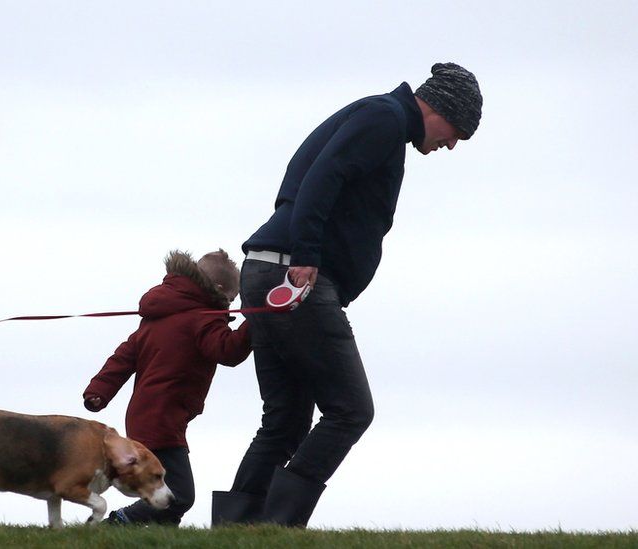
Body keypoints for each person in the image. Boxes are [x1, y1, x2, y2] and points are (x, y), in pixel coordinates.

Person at [212, 62, 483, 527]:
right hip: (295, 276)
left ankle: (237, 530)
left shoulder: (380, 119)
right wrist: (306, 254)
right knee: (351, 410)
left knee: (285, 420)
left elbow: (302, 179)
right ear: (437, 108)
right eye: (456, 131)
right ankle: (277, 526)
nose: (451, 144)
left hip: (270, 268)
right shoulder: (384, 119)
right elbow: (323, 178)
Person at [83, 249, 251, 526]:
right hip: (162, 418)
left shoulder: (160, 313)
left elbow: (124, 356)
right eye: (231, 300)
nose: (230, 307)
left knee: (168, 495)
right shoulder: (203, 317)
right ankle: (119, 521)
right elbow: (227, 350)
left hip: (149, 414)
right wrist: (255, 323)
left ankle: (162, 535)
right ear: (220, 290)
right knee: (180, 495)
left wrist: (99, 391)